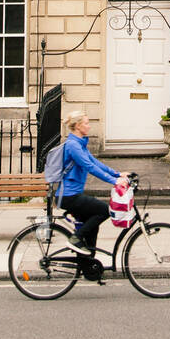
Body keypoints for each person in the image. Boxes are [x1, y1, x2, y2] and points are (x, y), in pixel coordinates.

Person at [57, 111, 130, 264]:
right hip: (68, 196)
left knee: (92, 224)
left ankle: (88, 264)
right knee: (104, 210)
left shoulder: (79, 144)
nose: (89, 126)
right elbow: (90, 167)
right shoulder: (73, 146)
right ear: (77, 126)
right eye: (86, 123)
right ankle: (75, 239)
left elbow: (96, 163)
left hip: (73, 194)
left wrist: (117, 175)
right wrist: (114, 181)